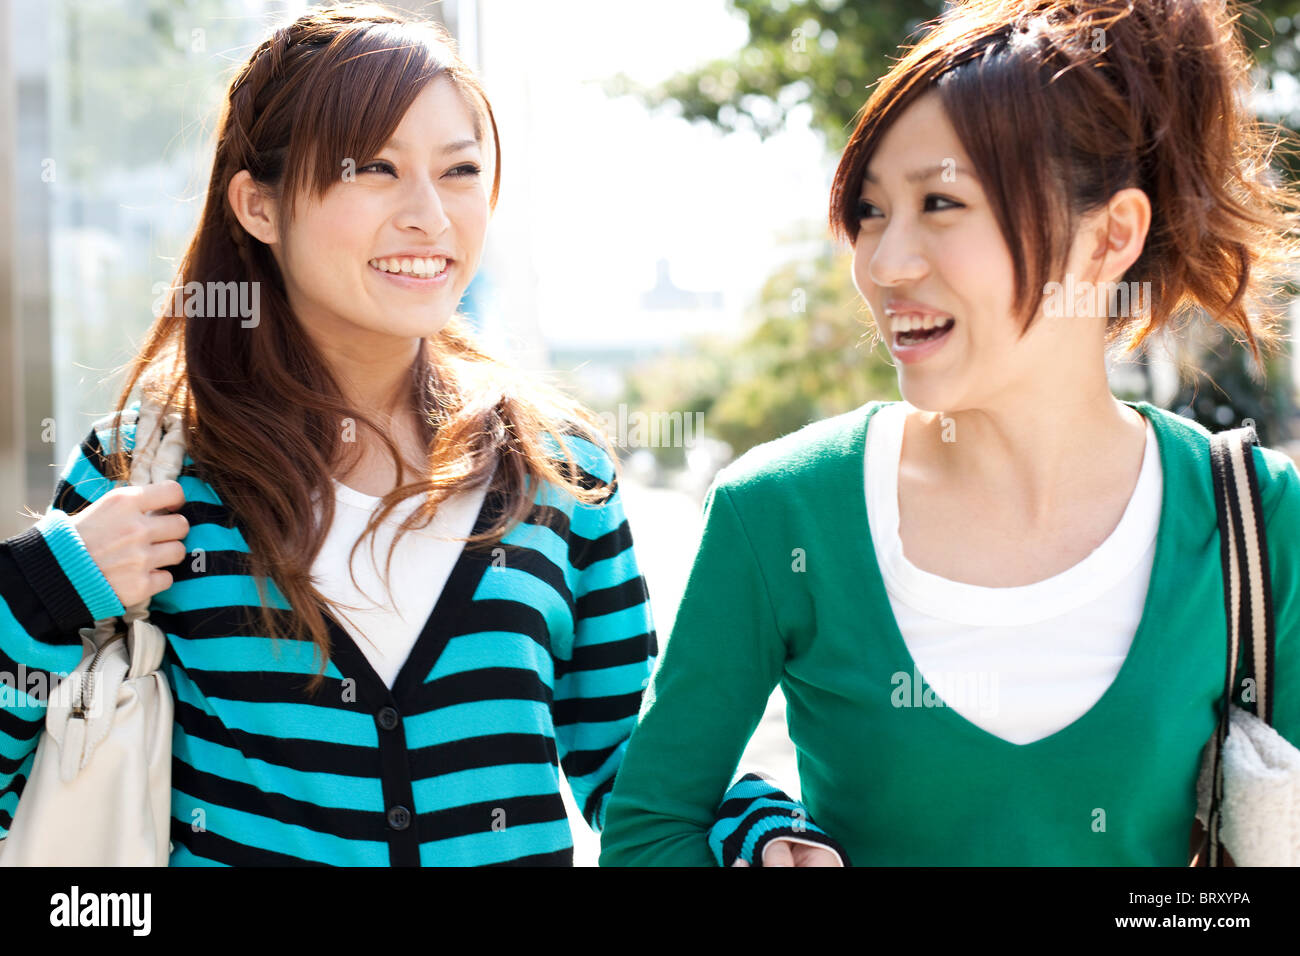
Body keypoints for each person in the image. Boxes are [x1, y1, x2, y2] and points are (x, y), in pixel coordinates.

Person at [0, 2, 776, 866]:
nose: (430, 217)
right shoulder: (150, 470)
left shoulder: (559, 471)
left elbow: (627, 760)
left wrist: (755, 831)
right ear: (258, 207)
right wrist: (44, 588)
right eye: (373, 168)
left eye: (458, 171)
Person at [599, 0, 1300, 866]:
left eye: (940, 202)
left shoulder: (1255, 518)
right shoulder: (780, 511)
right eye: (868, 211)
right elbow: (648, 832)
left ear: (1112, 234)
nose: (885, 263)